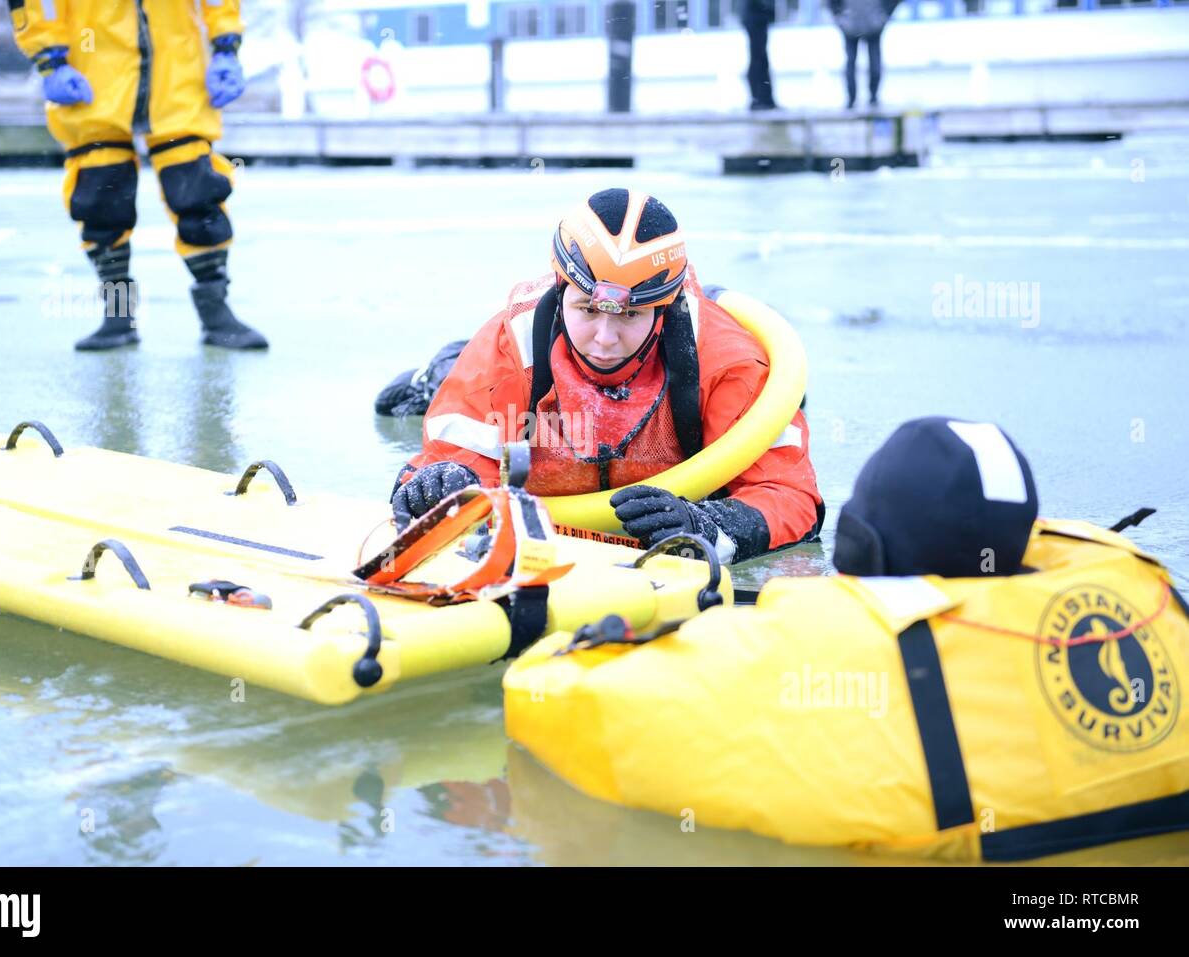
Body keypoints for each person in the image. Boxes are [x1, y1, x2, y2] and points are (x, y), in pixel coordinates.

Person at [504, 417, 1189, 858]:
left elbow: (551, 699)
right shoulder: (1145, 591)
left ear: (863, 550)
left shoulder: (812, 657)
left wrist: (601, 637)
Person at [390, 188, 823, 565]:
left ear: (663, 308)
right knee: (411, 397)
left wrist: (709, 526)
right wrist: (446, 486)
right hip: (516, 399)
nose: (604, 339)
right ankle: (437, 369)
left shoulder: (727, 362)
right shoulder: (509, 348)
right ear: (561, 290)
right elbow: (447, 462)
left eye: (631, 314)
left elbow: (791, 495)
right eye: (587, 309)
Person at [7, 0, 268, 351]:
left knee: (198, 193)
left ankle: (215, 310)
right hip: (94, 74)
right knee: (100, 200)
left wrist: (226, 46)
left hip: (177, 70)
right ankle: (118, 316)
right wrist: (50, 60)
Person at [829, 0, 897, 109]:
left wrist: (884, 15)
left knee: (874, 64)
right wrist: (838, 17)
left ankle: (873, 98)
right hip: (851, 24)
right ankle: (851, 100)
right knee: (851, 63)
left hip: (873, 23)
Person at [739, 0, 778, 111]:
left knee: (760, 59)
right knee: (759, 59)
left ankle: (763, 98)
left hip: (758, 17)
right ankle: (760, 98)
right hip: (756, 17)